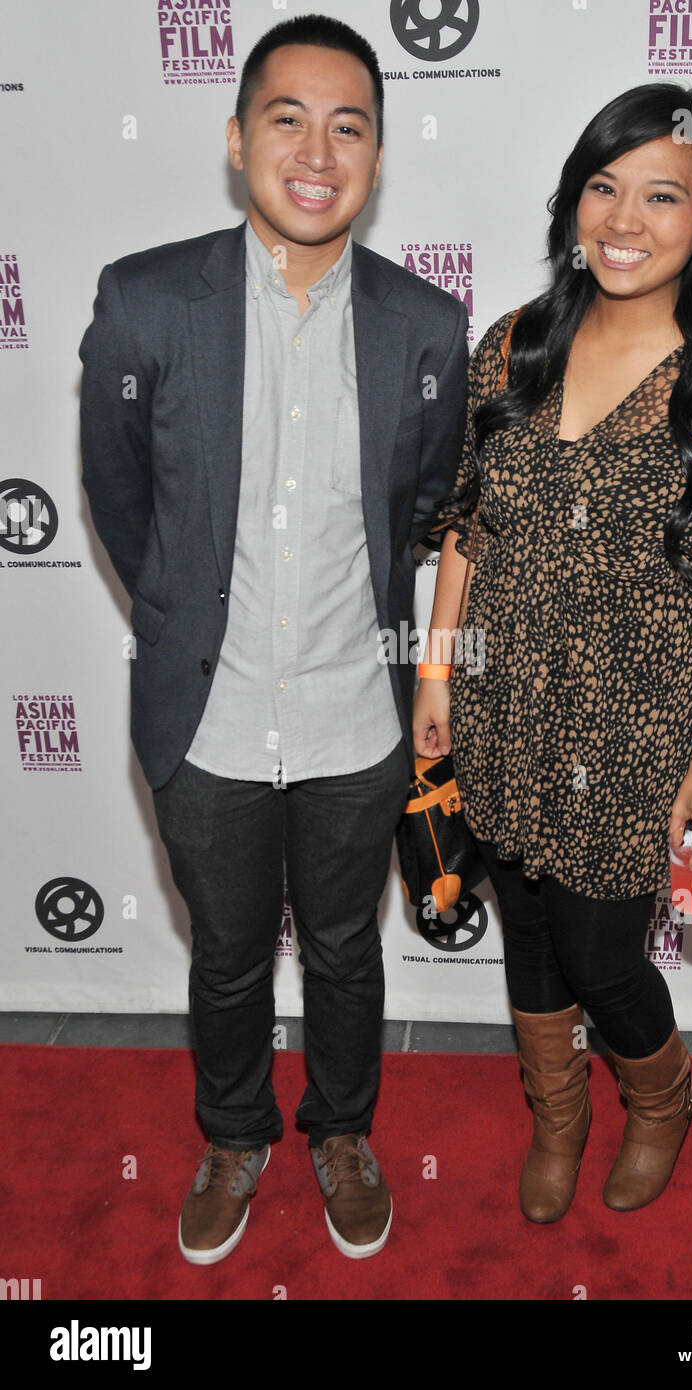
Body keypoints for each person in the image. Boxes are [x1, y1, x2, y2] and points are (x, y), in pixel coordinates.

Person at [79, 15, 468, 1264]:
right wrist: (190, 615)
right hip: (209, 714)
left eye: (348, 124)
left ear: (377, 154)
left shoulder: (422, 326)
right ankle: (235, 1133)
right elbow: (119, 494)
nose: (316, 149)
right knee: (231, 955)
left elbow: (419, 511)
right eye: (286, 117)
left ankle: (341, 1130)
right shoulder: (145, 302)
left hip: (357, 714)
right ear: (236, 136)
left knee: (349, 951)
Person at [414, 83, 692, 1224]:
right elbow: (465, 526)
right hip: (499, 704)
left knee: (599, 950)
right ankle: (556, 1114)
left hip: (635, 730)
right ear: (572, 200)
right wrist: (435, 673)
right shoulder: (511, 347)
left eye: (660, 195)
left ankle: (661, 1098)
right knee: (524, 930)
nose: (622, 219)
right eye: (602, 186)